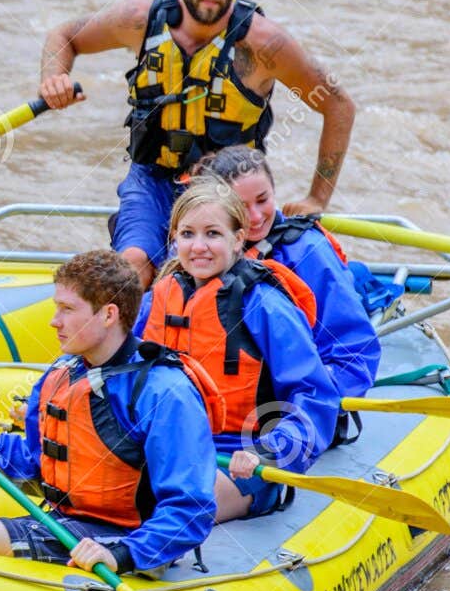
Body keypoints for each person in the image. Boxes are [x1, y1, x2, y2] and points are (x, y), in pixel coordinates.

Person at [38, 0, 357, 287]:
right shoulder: (139, 21)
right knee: (133, 268)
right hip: (152, 177)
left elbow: (339, 105)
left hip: (226, 190)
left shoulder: (265, 46)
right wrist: (53, 78)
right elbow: (64, 36)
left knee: (191, 272)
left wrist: (317, 198)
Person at [0, 249, 218, 575]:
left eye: (67, 309)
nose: (54, 321)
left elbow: (190, 509)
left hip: (131, 540)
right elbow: (38, 466)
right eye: (56, 308)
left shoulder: (164, 390)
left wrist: (123, 555)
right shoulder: (62, 373)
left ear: (108, 315)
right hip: (71, 524)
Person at [137, 180, 340, 522]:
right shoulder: (159, 296)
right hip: (167, 449)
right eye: (187, 234)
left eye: (213, 234)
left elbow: (314, 395)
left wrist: (270, 451)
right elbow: (113, 366)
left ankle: (137, 555)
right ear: (175, 239)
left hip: (240, 460)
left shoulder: (264, 305)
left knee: (169, 507)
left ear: (238, 238)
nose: (198, 247)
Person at [196, 146, 381, 425]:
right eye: (242, 207)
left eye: (263, 200)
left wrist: (310, 414)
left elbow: (352, 350)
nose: (256, 217)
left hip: (295, 406)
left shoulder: (308, 251)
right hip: (226, 412)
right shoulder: (201, 253)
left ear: (274, 191)